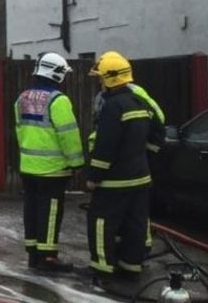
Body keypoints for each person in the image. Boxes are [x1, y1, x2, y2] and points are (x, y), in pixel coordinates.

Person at [85, 51, 164, 284]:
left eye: (101, 77)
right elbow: (158, 133)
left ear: (110, 78)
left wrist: (94, 176)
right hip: (140, 179)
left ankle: (102, 269)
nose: (99, 81)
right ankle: (131, 267)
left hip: (113, 182)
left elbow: (105, 146)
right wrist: (141, 157)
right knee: (136, 224)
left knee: (100, 222)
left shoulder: (113, 106)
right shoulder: (140, 101)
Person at [14, 52, 85, 272]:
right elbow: (68, 134)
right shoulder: (58, 100)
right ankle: (48, 258)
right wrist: (77, 163)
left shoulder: (22, 98)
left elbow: (20, 131)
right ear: (56, 74)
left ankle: (34, 255)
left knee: (32, 210)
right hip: (53, 170)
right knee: (51, 211)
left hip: (28, 168)